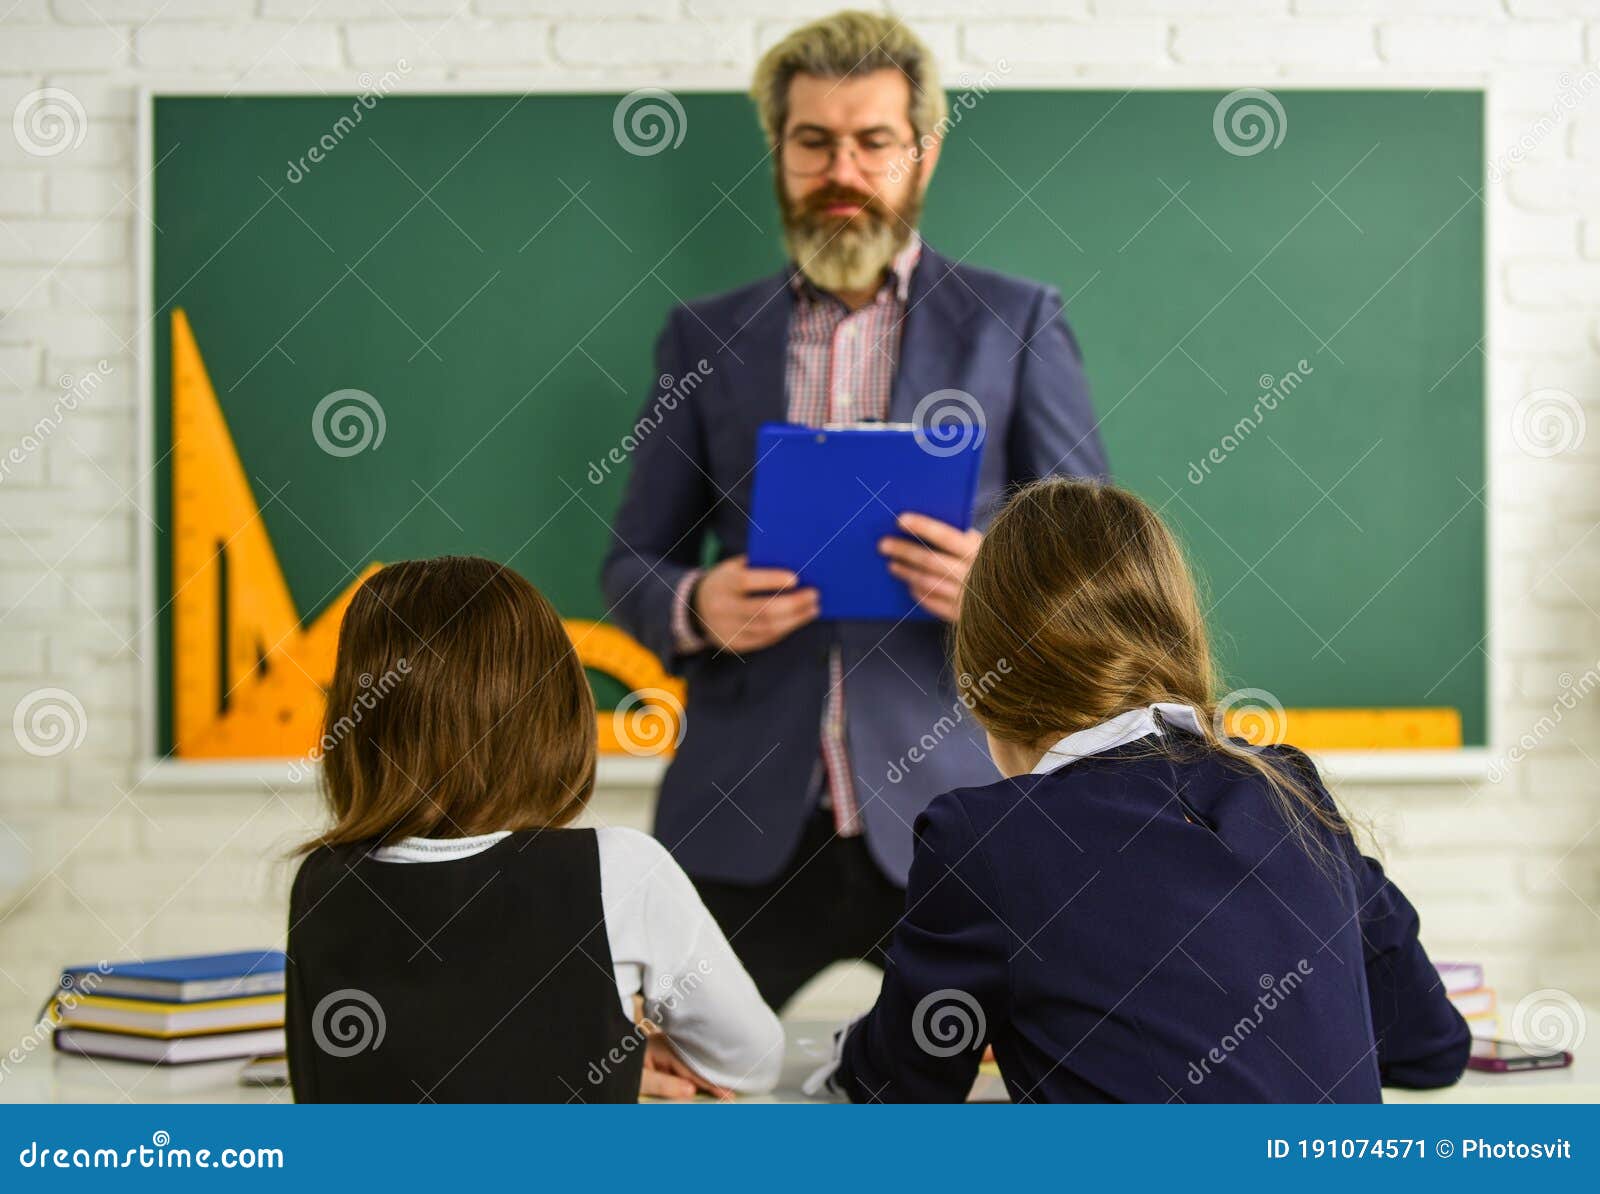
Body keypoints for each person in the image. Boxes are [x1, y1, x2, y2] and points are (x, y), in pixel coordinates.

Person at [602, 10, 1107, 1011]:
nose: (843, 168)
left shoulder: (1016, 321)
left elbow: (1096, 572)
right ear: (780, 152)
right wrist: (700, 606)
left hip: (959, 814)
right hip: (738, 819)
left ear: (920, 152)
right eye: (813, 141)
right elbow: (631, 564)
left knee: (1011, 1111)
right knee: (669, 1099)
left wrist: (999, 590)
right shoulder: (702, 334)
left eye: (872, 141)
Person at [812, 479, 1471, 1102]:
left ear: (982, 674)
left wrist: (848, 1058)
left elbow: (903, 1086)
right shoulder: (1288, 787)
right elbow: (1430, 1045)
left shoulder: (982, 839)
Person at [285, 557, 783, 1102]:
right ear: (558, 709)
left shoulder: (319, 884)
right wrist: (617, 1053)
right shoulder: (622, 868)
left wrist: (608, 1058)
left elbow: (424, 1065)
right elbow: (751, 1060)